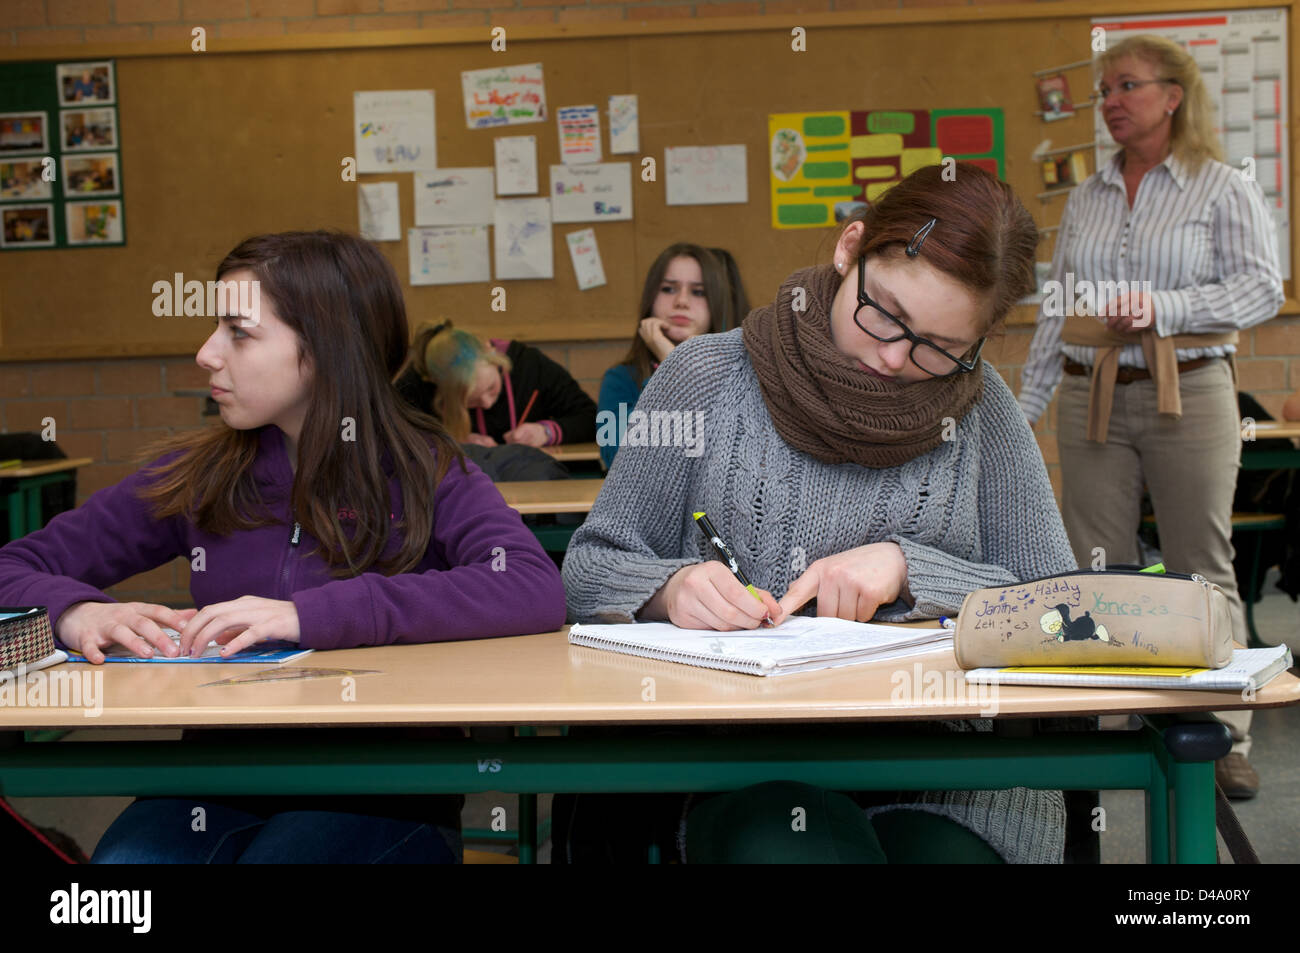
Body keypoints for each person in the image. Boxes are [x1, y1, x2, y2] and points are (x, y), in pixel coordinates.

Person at [562, 163, 1077, 863]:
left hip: (947, 769)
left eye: (940, 348)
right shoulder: (705, 378)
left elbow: (1065, 614)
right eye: (886, 314)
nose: (894, 358)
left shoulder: (986, 413)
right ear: (849, 247)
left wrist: (911, 568)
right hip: (741, 757)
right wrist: (669, 588)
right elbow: (586, 569)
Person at [0, 231, 566, 862]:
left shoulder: (425, 469)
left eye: (238, 332)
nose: (206, 353)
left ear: (326, 348)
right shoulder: (201, 476)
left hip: (389, 784)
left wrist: (309, 614)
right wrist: (76, 611)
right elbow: (12, 565)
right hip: (218, 777)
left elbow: (532, 585)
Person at [1018, 35, 1284, 800]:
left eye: (1126, 86)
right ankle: (1114, 718)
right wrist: (1023, 409)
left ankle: (1223, 730)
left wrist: (1165, 307)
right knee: (1095, 565)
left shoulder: (1220, 185)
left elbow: (1260, 289)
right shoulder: (1086, 197)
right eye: (1103, 91)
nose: (1109, 103)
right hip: (1090, 389)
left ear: (1172, 95)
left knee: (1201, 561)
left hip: (1191, 389)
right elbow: (1058, 310)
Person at [596, 244, 737, 468]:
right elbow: (618, 458)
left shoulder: (742, 375)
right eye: (668, 289)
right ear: (650, 299)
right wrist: (674, 368)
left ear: (716, 305)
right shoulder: (620, 379)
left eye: (698, 292)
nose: (681, 301)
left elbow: (732, 457)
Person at [395, 321, 597, 448]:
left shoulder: (531, 366)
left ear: (492, 354)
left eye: (491, 388)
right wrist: (449, 442)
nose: (487, 404)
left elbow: (591, 418)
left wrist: (545, 432)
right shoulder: (418, 383)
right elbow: (389, 436)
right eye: (471, 403)